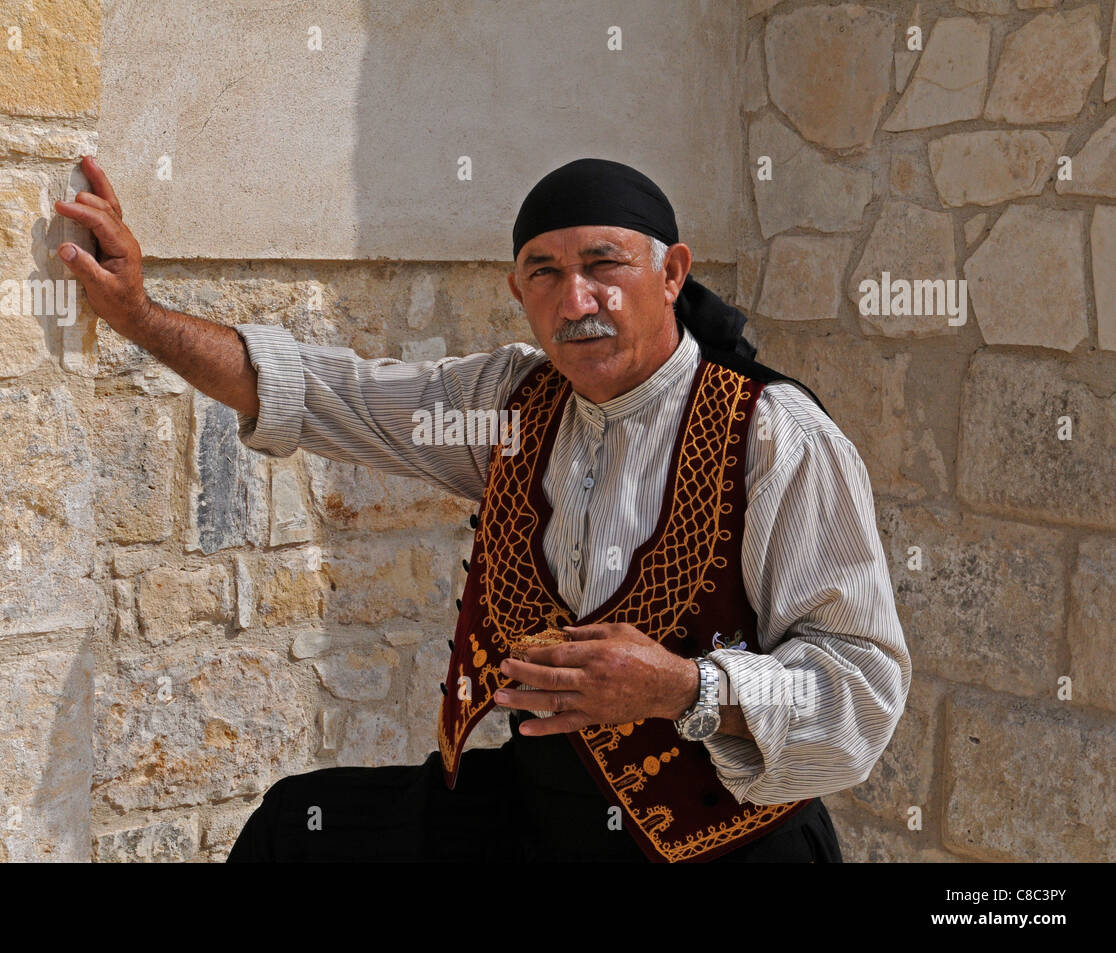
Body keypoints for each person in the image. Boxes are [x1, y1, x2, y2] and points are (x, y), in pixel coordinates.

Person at [53, 155, 911, 863]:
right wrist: (137, 313)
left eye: (604, 265)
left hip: (723, 847)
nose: (576, 300)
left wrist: (682, 684)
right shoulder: (511, 403)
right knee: (301, 832)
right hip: (545, 816)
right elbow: (325, 393)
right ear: (519, 292)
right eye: (546, 273)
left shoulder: (773, 435)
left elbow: (864, 691)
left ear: (671, 272)